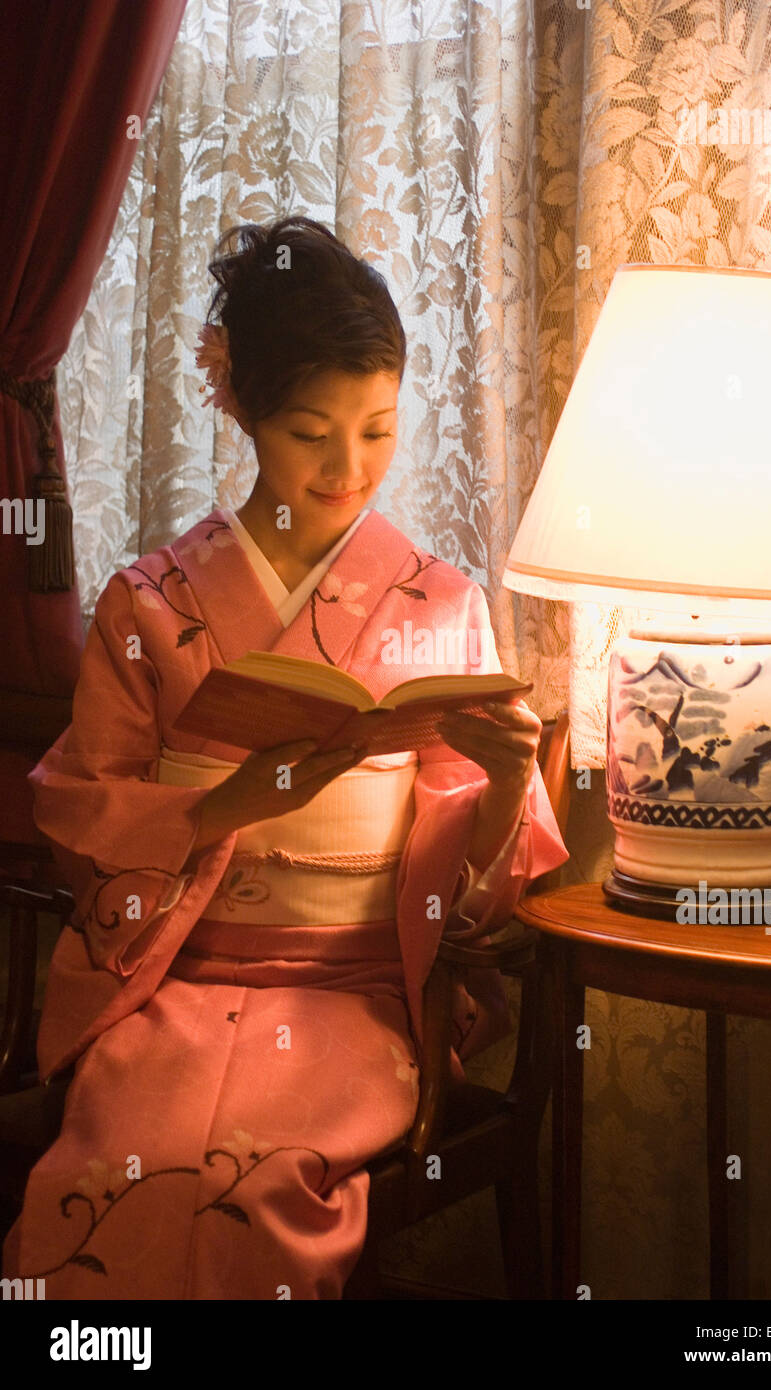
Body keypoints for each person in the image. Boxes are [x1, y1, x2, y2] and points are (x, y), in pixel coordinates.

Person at [2, 215, 569, 1299]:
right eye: (312, 431)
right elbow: (80, 814)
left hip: (358, 995)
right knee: (132, 1170)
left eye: (377, 428)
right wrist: (221, 807)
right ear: (243, 408)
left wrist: (501, 780)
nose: (348, 467)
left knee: (254, 1182)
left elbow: (482, 894)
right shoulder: (151, 603)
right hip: (175, 979)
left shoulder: (441, 605)